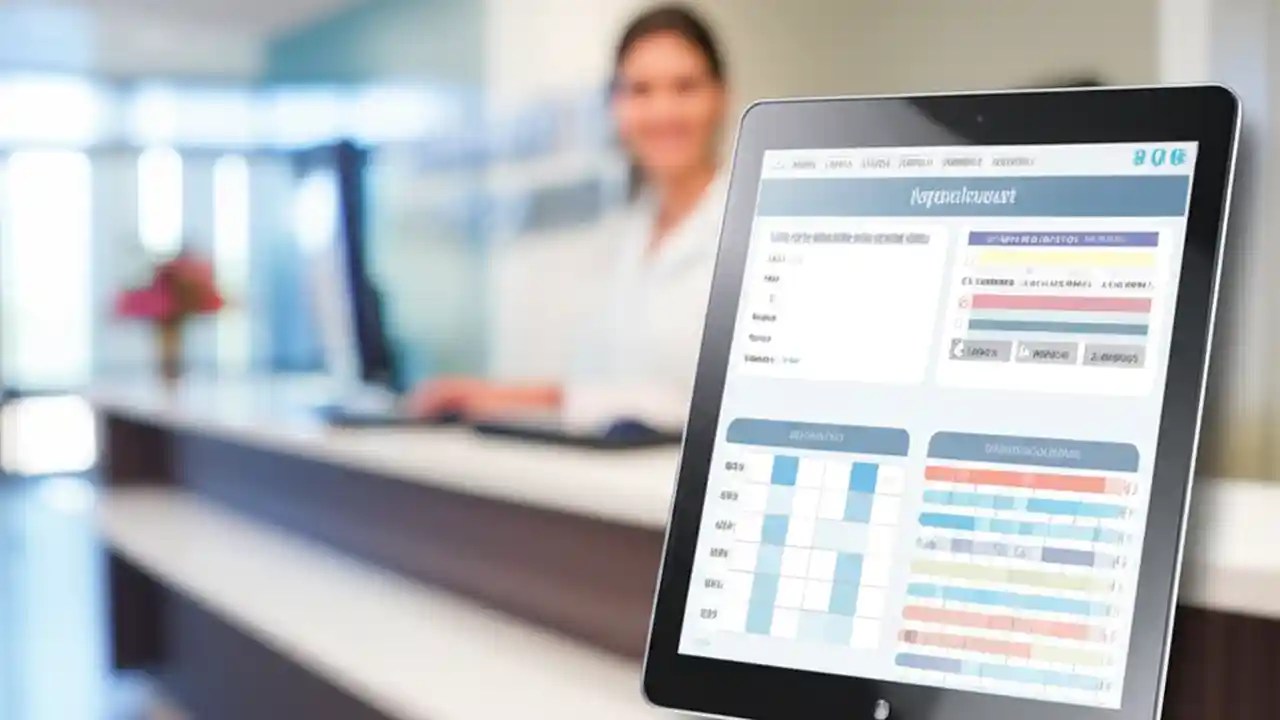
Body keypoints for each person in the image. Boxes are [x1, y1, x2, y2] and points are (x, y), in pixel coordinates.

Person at [408, 4, 729, 430]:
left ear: (721, 97)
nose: (662, 112)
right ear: (614, 106)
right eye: (640, 90)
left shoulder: (752, 230)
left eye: (684, 87)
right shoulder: (624, 231)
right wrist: (494, 397)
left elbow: (708, 403)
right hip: (601, 482)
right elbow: (603, 388)